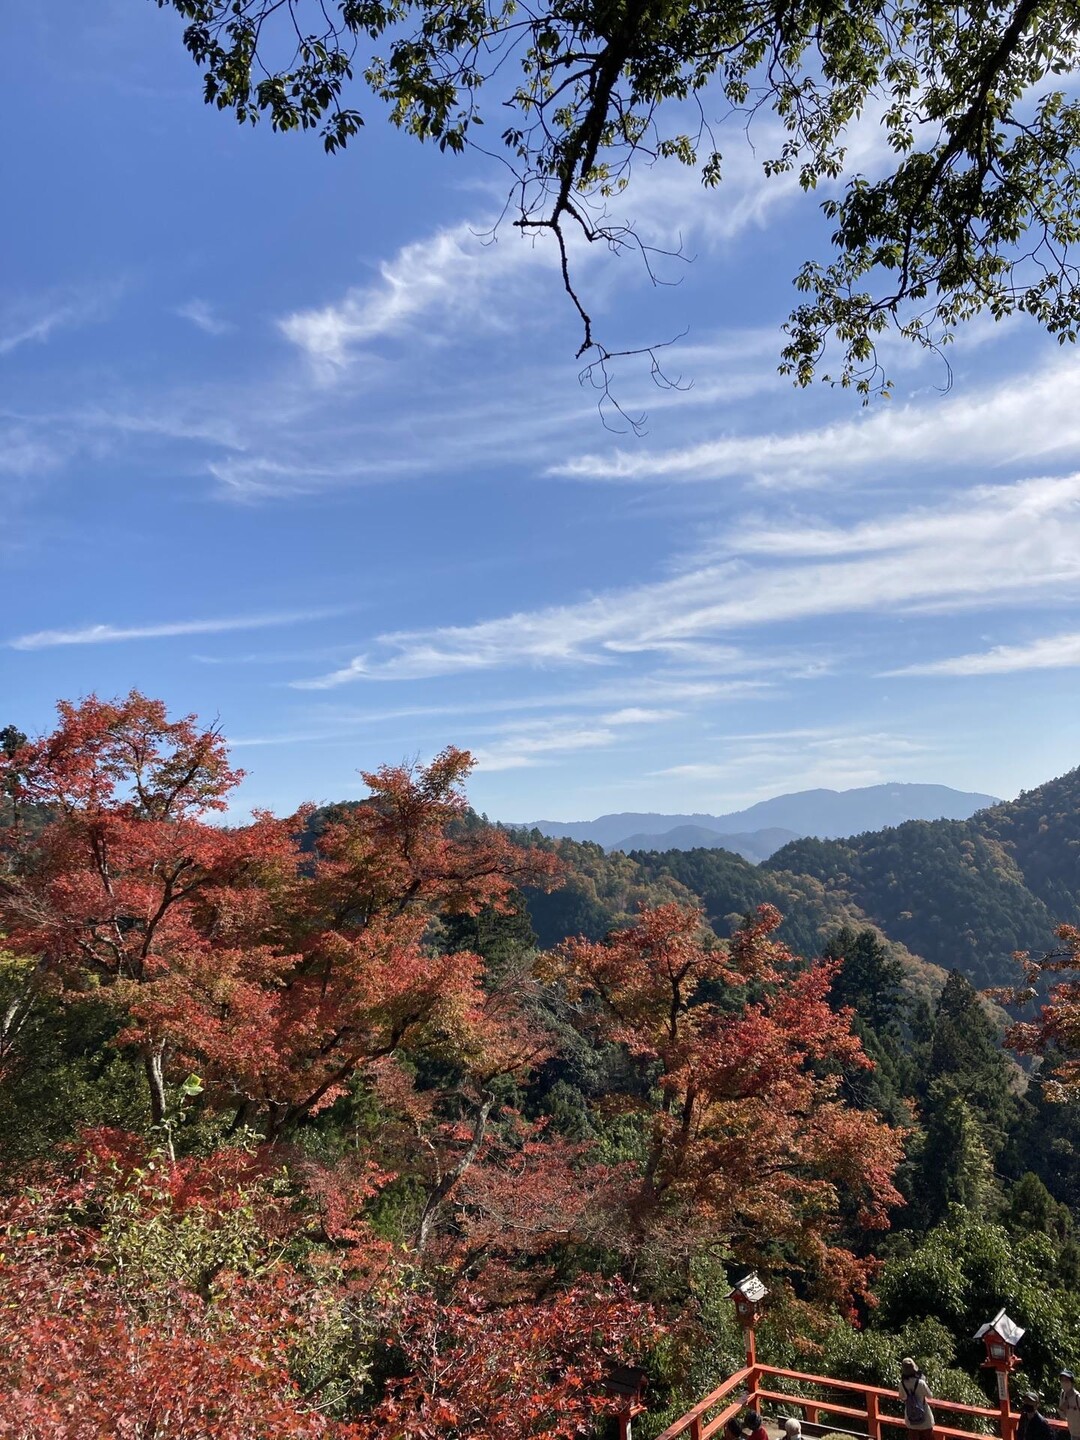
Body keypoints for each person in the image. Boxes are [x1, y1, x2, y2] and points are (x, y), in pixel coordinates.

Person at [900, 1358, 934, 1438]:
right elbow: (930, 1396)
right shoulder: (920, 1383)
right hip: (925, 1418)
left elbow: (902, 1397)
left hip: (911, 1418)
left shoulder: (902, 1384)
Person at [1060, 1370, 1080, 1440]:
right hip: (1072, 1433)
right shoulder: (1062, 1395)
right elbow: (1062, 1415)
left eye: (1066, 1380)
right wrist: (1064, 1405)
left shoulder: (1078, 1398)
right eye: (1062, 1380)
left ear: (1072, 1382)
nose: (1064, 1383)